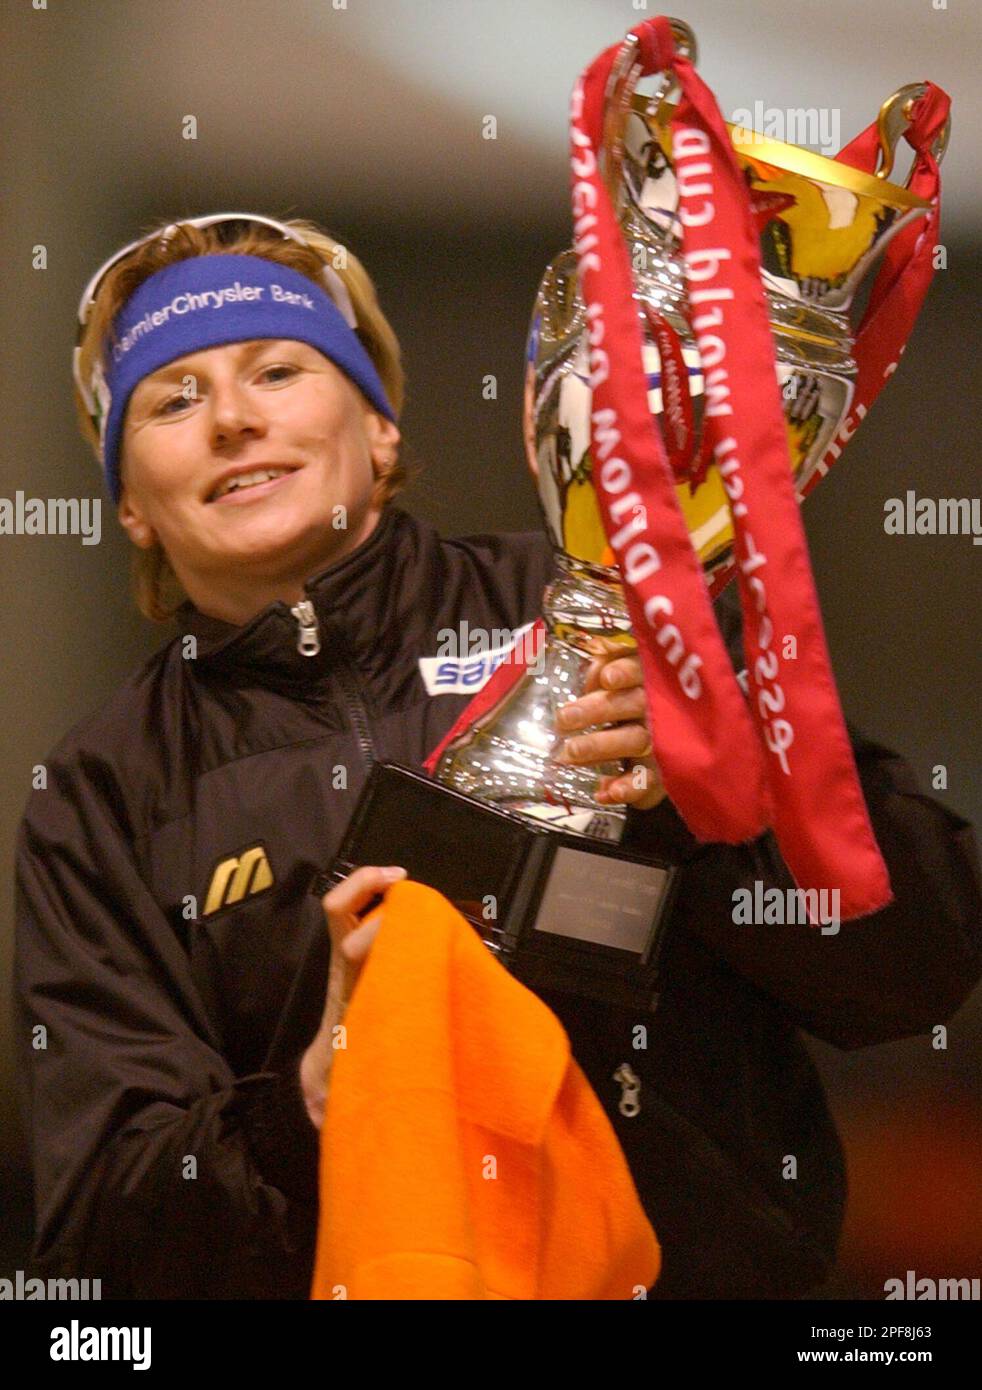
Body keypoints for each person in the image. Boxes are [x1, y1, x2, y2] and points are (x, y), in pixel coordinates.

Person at [13, 214, 982, 1301]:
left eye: (277, 369)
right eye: (173, 399)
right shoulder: (106, 791)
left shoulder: (619, 615)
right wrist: (310, 1098)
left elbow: (921, 969)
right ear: (132, 505)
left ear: (379, 429)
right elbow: (102, 1241)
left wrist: (720, 800)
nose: (233, 419)